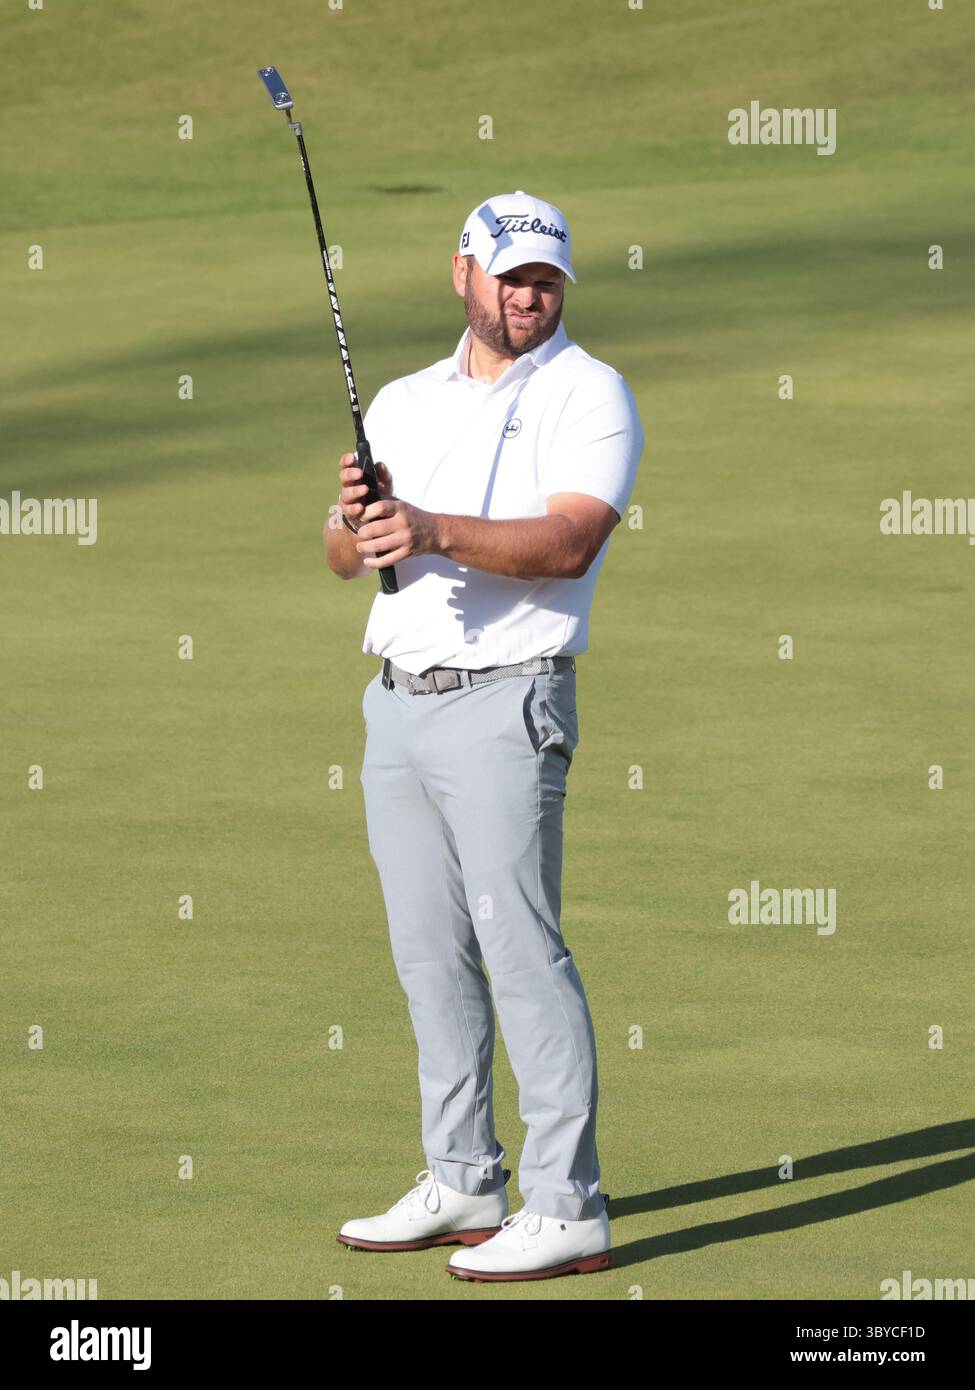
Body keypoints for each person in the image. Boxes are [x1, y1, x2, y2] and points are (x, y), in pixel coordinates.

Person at [325, 191, 645, 1282]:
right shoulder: (408, 401)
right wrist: (359, 519)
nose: (529, 295)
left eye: (547, 278)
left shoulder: (590, 393)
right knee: (430, 953)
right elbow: (339, 556)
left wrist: (429, 528)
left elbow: (568, 543)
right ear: (463, 272)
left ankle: (568, 1203)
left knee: (521, 949)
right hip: (397, 701)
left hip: (510, 701)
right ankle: (463, 1173)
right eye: (511, 276)